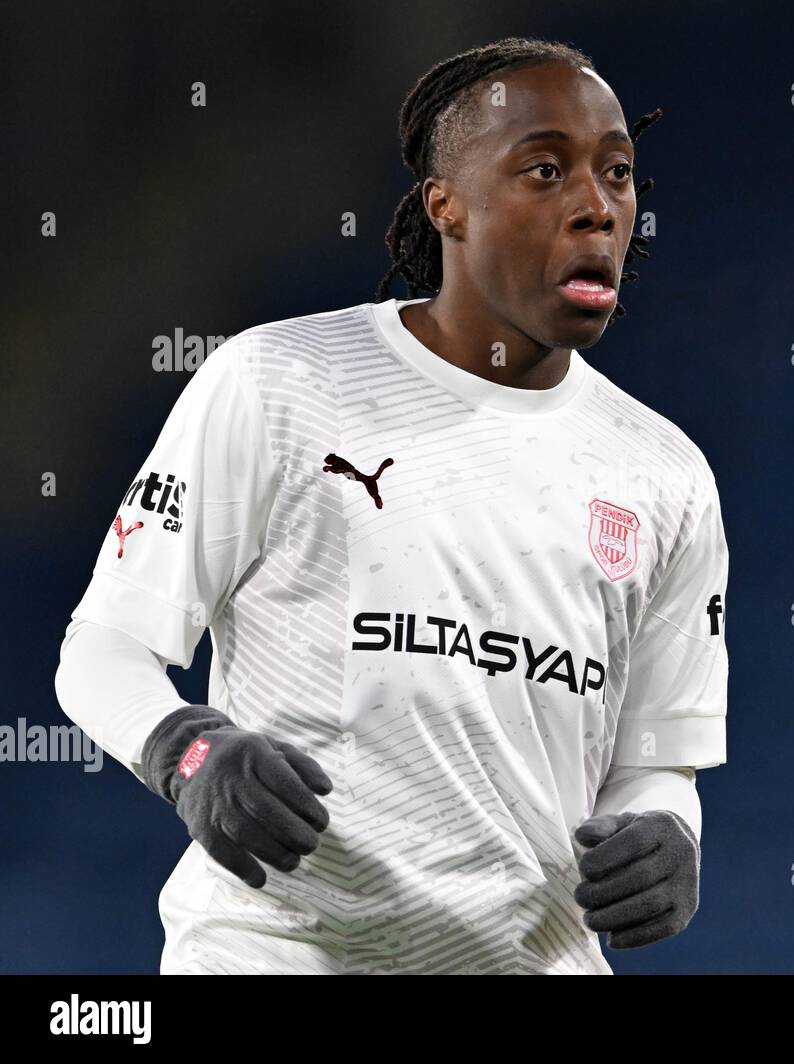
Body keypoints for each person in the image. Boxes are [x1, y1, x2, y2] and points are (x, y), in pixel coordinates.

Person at [54, 36, 729, 975]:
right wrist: (188, 750)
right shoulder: (278, 381)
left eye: (617, 174)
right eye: (546, 170)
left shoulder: (666, 472)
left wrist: (666, 828)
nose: (598, 207)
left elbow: (656, 755)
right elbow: (103, 648)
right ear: (446, 204)